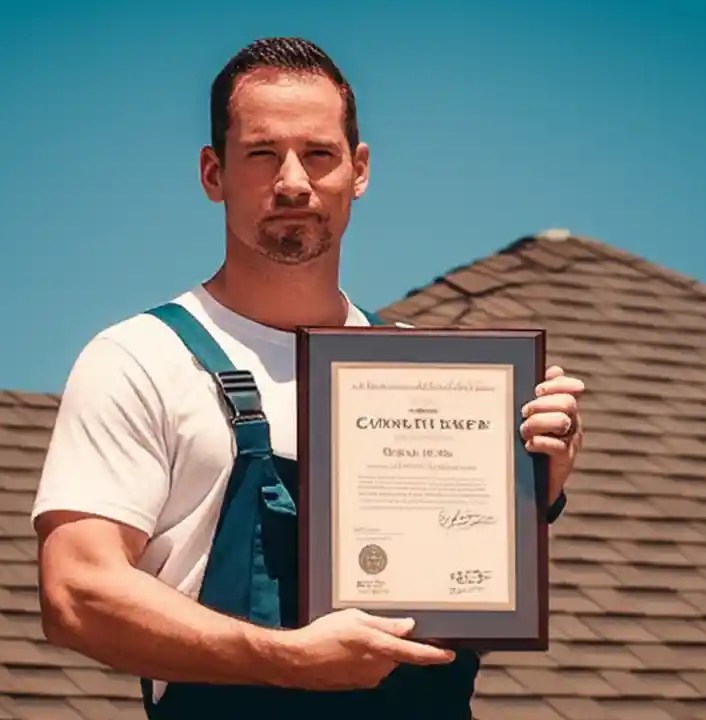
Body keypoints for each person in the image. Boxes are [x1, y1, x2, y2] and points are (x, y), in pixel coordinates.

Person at [30, 36, 586, 719]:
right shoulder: (142, 359)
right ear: (213, 173)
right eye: (263, 154)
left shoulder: (437, 380)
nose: (292, 181)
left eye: (319, 154)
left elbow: (465, 608)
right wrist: (287, 658)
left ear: (359, 170)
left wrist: (530, 490)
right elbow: (77, 594)